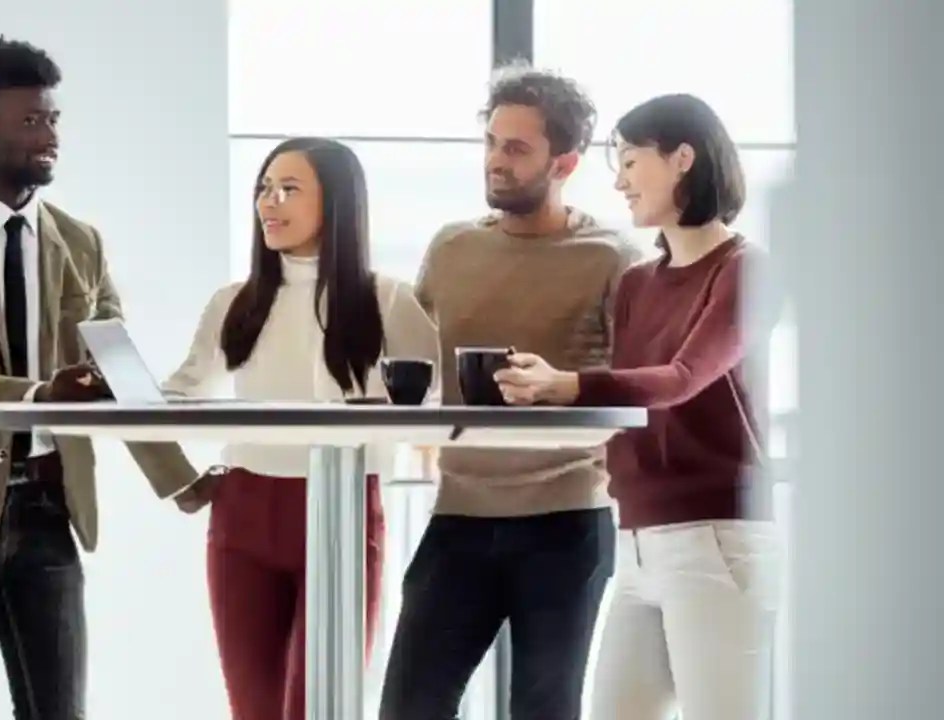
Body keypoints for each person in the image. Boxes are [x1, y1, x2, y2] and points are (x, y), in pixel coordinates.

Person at [0, 37, 202, 719]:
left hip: (49, 512)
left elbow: (119, 373)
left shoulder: (81, 242)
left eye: (53, 119)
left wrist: (182, 481)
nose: (50, 137)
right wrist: (38, 395)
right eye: (30, 121)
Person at [494, 93, 780, 719]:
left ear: (683, 158)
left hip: (717, 540)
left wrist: (568, 384)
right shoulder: (636, 284)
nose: (619, 182)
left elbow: (681, 379)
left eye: (629, 161)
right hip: (636, 542)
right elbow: (630, 402)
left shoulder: (745, 270)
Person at [378, 61, 638, 720]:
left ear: (565, 163)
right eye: (492, 142)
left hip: (566, 521)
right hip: (459, 514)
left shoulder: (611, 256)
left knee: (544, 711)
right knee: (409, 707)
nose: (496, 160)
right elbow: (409, 358)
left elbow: (637, 384)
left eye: (517, 148)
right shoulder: (452, 247)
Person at [161, 137, 439, 720]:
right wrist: (173, 467)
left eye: (289, 189)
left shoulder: (386, 298)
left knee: (321, 708)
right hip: (243, 510)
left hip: (343, 508)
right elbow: (178, 393)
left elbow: (435, 397)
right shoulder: (234, 301)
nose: (270, 202)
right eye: (264, 188)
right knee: (253, 709)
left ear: (335, 203)